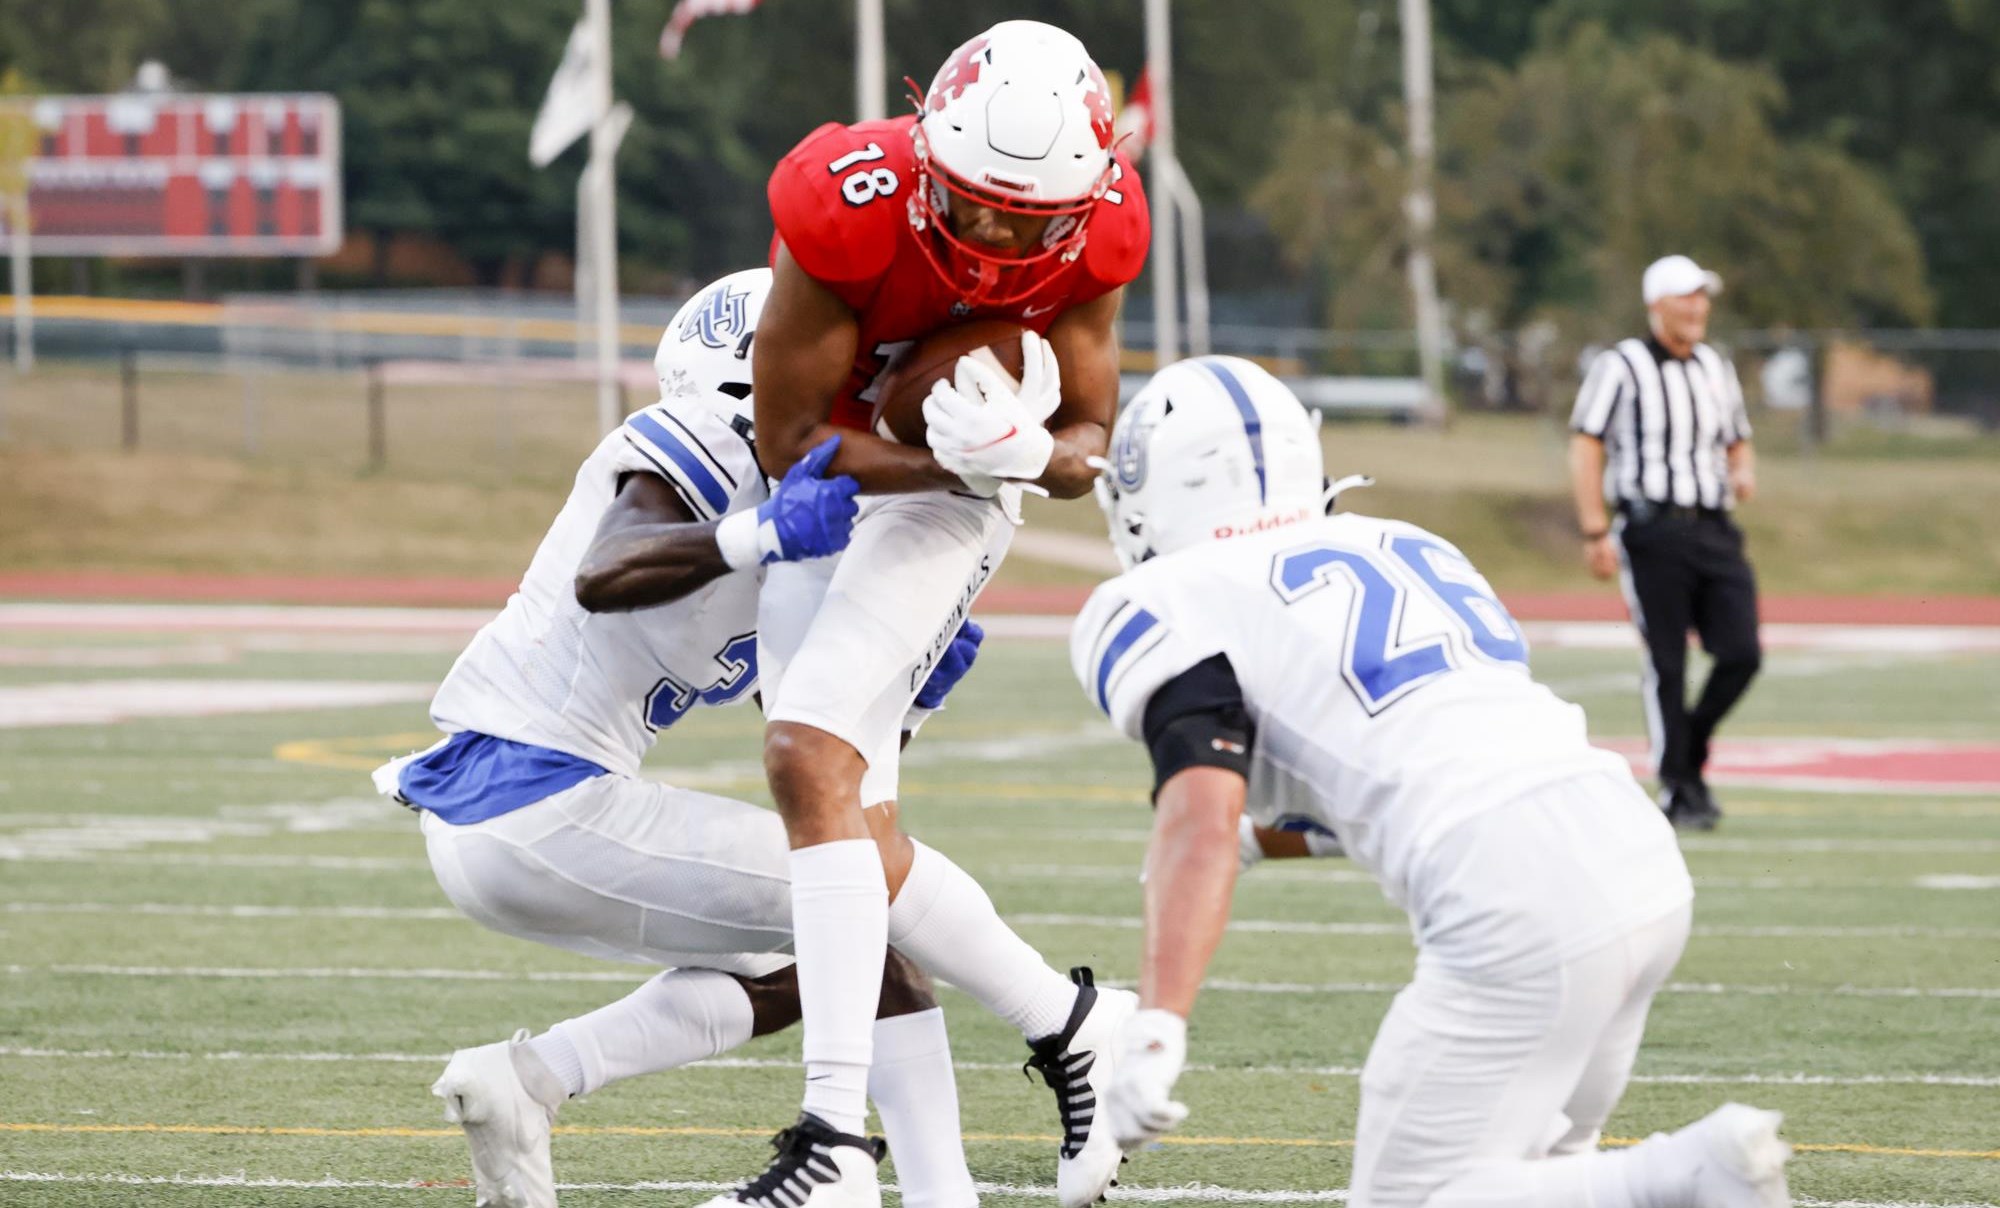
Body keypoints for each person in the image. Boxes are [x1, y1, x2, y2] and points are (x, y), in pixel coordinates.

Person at [376, 270, 1054, 1208]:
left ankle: (530, 1079)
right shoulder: (715, 432)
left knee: (813, 953)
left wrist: (910, 702)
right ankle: (1038, 1061)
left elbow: (815, 755)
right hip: (531, 792)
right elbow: (607, 570)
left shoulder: (773, 480)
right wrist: (762, 534)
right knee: (862, 911)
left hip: (526, 814)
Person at [1071, 356, 1793, 1208]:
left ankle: (1687, 1174)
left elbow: (1199, 806)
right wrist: (1258, 842)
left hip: (1512, 902)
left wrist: (1156, 1026)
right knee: (1545, 1185)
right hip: (1634, 855)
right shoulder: (1406, 544)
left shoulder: (1164, 595)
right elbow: (1433, 758)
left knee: (1414, 1197)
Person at [720, 19, 1152, 1208]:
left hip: (958, 492)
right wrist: (957, 463)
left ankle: (830, 1142)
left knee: (806, 750)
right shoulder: (841, 198)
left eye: (1031, 220)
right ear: (922, 159)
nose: (1005, 236)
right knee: (858, 823)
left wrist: (1038, 457)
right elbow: (792, 443)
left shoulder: (1106, 221)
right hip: (846, 476)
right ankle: (1065, 1025)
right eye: (975, 208)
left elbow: (1088, 438)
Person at [1569, 255, 1763, 830]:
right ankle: (1679, 787)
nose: (1698, 307)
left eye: (1703, 296)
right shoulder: (1622, 366)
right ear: (1657, 304)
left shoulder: (1713, 366)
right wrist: (1594, 528)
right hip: (1652, 529)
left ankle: (1690, 747)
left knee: (1742, 653)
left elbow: (1738, 439)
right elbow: (1586, 444)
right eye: (1686, 297)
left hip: (1713, 526)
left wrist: (1744, 469)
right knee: (1668, 663)